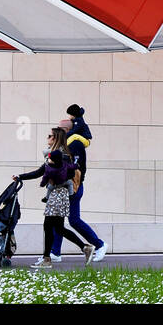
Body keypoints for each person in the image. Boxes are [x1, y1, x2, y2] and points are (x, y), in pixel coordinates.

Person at [15, 126, 88, 268]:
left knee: (48, 226)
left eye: (49, 136)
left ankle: (47, 259)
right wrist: (20, 177)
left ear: (55, 139)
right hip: (57, 195)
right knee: (58, 228)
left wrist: (55, 177)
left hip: (58, 195)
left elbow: (69, 174)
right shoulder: (55, 155)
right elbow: (40, 172)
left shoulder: (61, 155)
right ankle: (84, 248)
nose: (47, 138)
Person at [51, 105, 107, 263]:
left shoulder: (75, 144)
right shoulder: (65, 144)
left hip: (73, 187)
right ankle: (55, 252)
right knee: (58, 218)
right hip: (65, 186)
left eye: (60, 130)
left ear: (67, 130)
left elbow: (79, 167)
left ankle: (100, 245)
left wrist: (75, 184)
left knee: (73, 220)